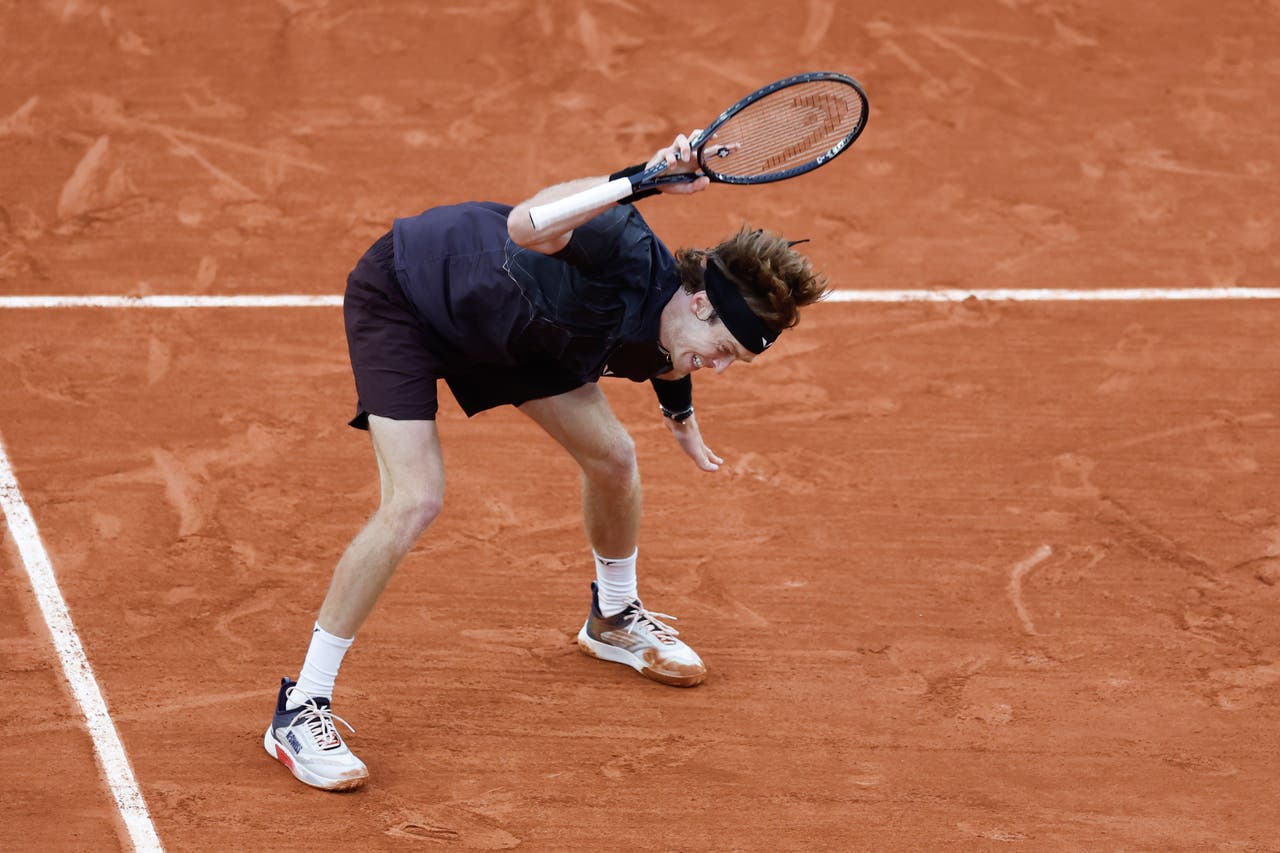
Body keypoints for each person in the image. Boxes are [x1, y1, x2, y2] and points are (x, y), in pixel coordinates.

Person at [263, 132, 829, 791]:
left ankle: (613, 617)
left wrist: (680, 414)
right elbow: (525, 223)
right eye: (723, 347)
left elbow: (666, 356)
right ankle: (300, 706)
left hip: (520, 341)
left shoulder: (674, 324)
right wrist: (640, 178)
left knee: (615, 459)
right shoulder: (619, 246)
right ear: (699, 300)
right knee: (415, 498)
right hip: (413, 298)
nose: (722, 366)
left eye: (736, 359)